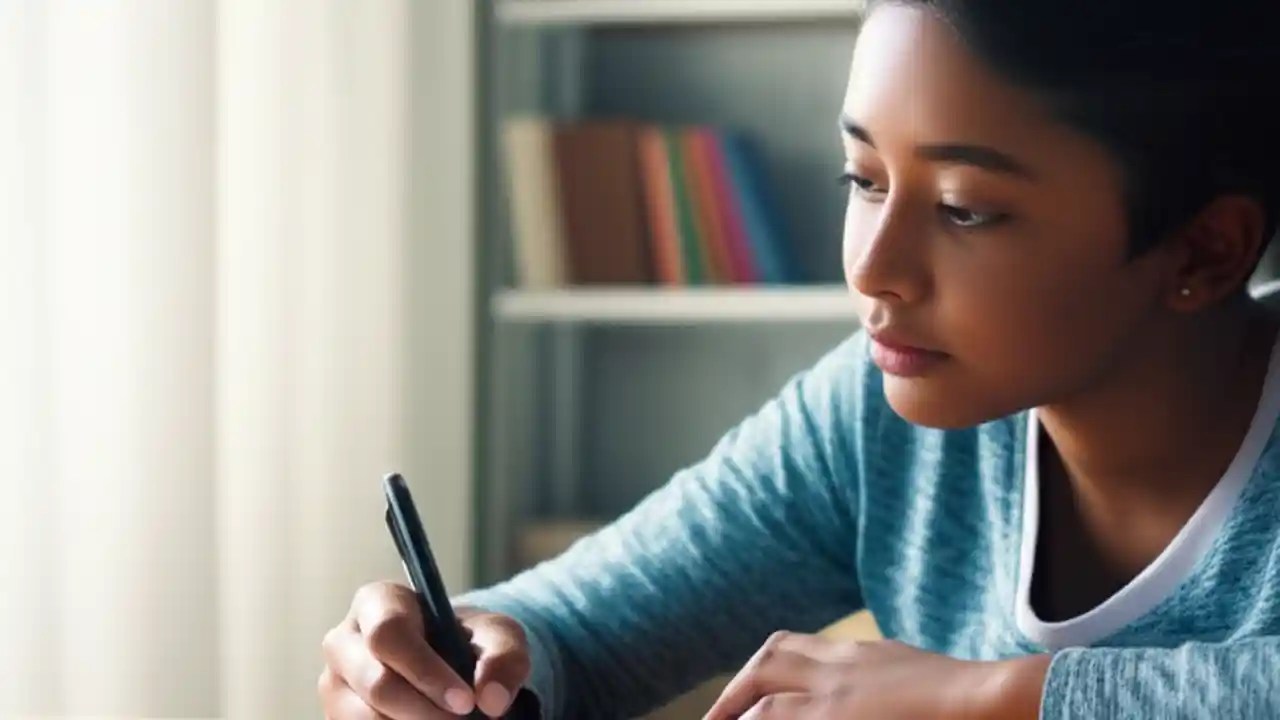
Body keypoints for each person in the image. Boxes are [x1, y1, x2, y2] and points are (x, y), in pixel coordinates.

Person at [319, 1, 1280, 717]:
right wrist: (459, 657)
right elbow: (584, 627)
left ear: (1203, 250)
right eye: (862, 179)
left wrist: (990, 700)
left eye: (963, 208)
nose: (871, 268)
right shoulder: (875, 411)